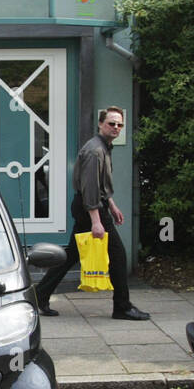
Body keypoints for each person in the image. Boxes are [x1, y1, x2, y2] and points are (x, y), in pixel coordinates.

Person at [35, 106, 150, 320]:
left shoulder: (104, 147)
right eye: (111, 123)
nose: (116, 127)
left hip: (92, 206)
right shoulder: (95, 151)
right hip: (90, 208)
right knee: (118, 255)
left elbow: (100, 185)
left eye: (119, 124)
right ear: (100, 124)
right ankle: (122, 307)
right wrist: (96, 221)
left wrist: (112, 204)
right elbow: (90, 190)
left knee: (71, 254)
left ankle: (39, 294)